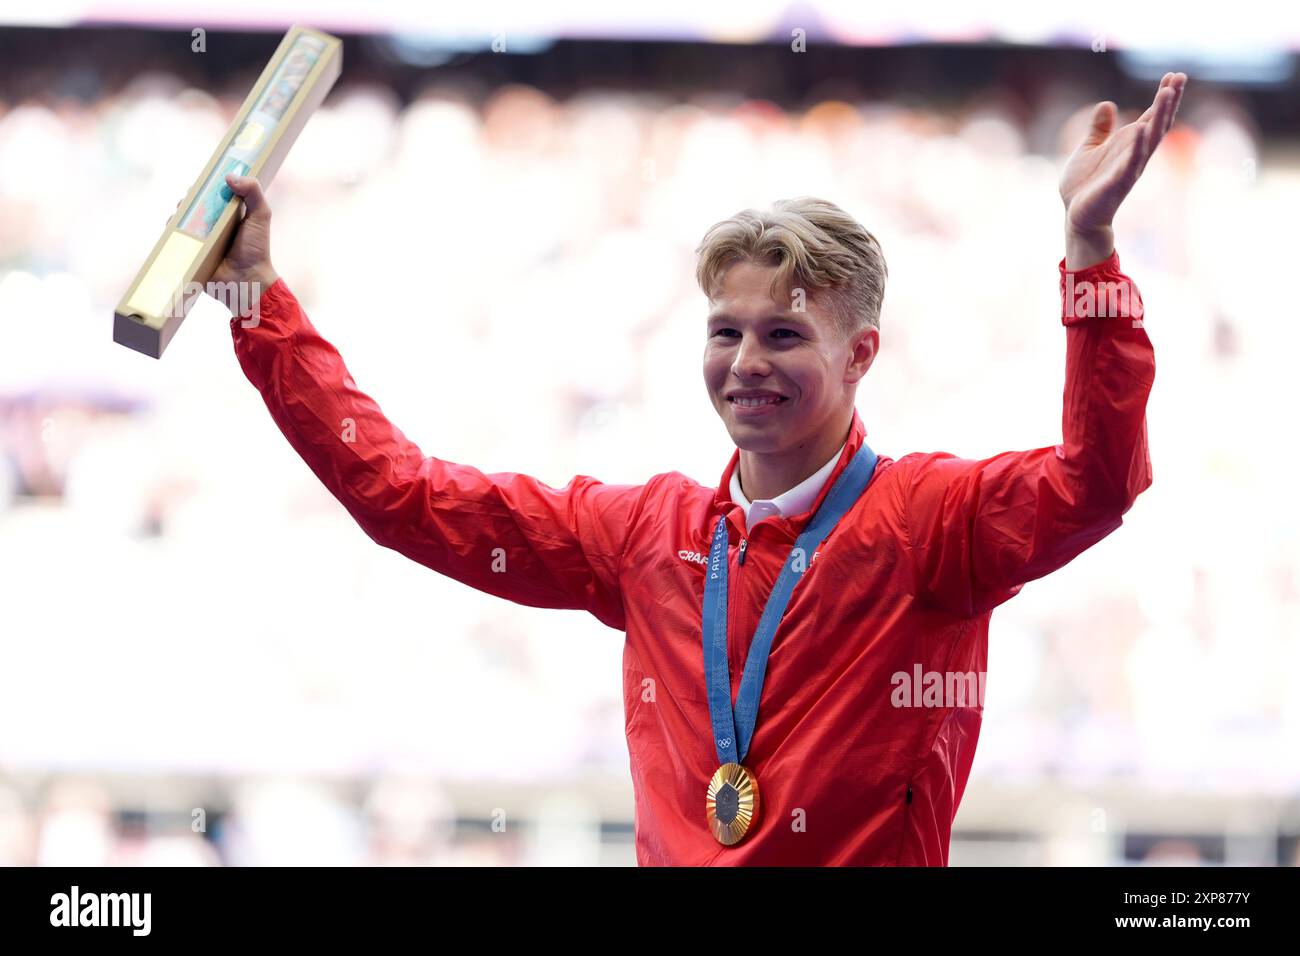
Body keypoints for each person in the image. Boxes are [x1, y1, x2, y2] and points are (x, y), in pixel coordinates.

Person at [207, 73, 1186, 865]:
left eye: (784, 334)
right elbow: (404, 498)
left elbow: (1095, 482)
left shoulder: (930, 521)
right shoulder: (645, 534)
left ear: (860, 355)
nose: (746, 361)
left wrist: (1090, 250)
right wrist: (258, 304)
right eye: (725, 330)